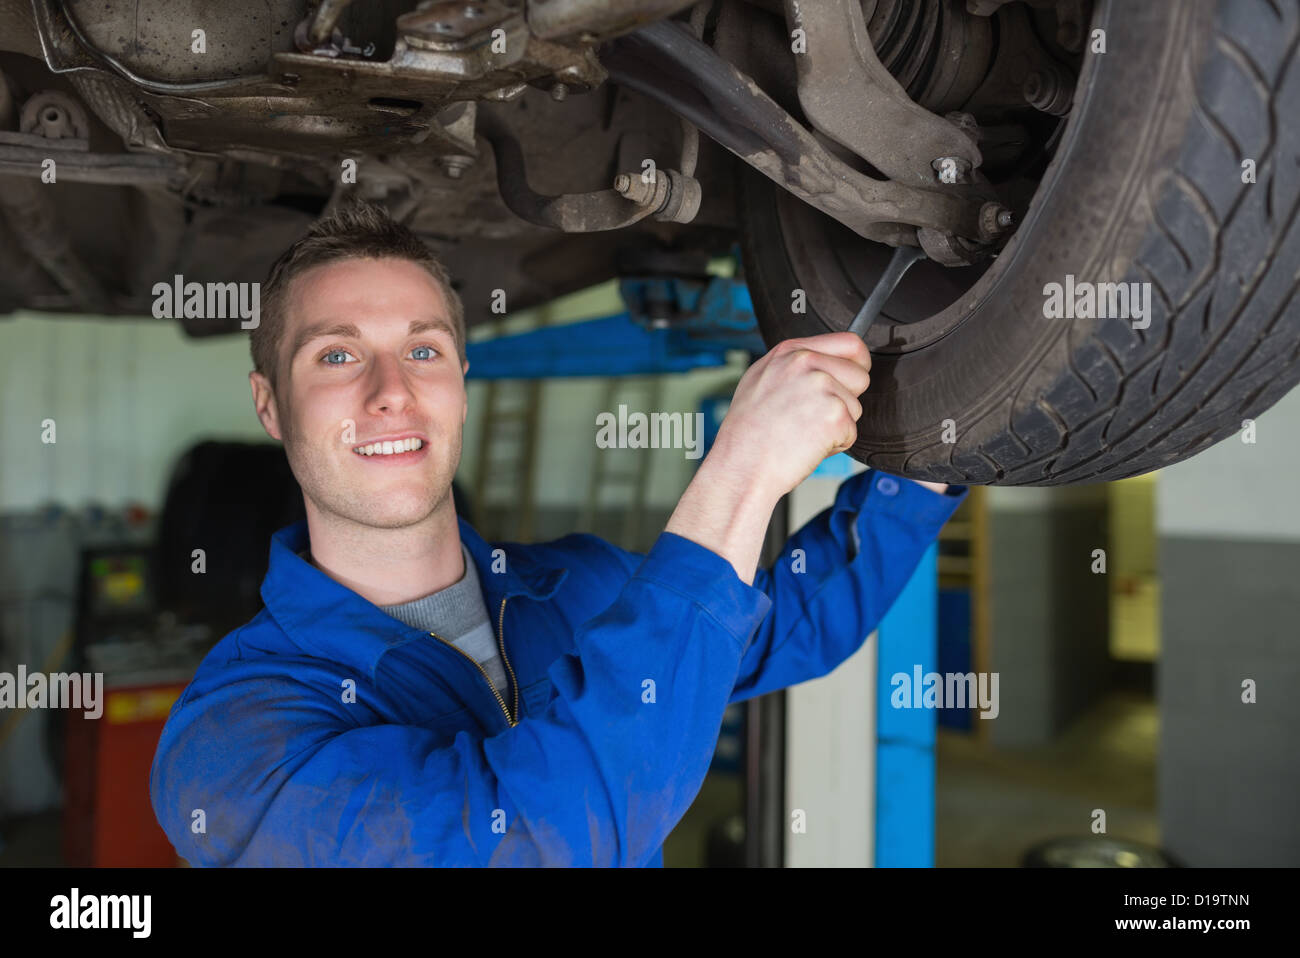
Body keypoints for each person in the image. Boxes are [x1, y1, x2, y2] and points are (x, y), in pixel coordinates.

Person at [149, 203, 967, 866]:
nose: (391, 392)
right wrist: (740, 472)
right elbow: (544, 837)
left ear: (460, 385)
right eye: (336, 357)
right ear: (268, 405)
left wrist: (954, 429)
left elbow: (783, 622)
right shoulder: (234, 741)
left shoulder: (575, 587)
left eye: (424, 349)